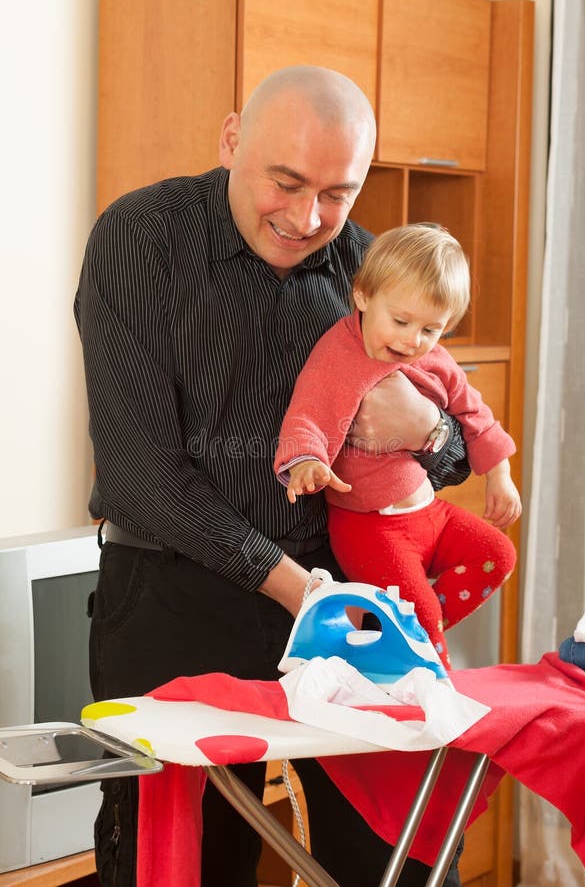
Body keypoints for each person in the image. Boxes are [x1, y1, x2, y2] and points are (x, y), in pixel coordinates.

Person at [75, 66, 471, 887]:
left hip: (345, 592)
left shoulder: (366, 263)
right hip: (177, 596)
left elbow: (457, 442)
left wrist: (427, 429)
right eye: (285, 183)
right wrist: (298, 589)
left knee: (400, 855)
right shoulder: (143, 239)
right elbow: (143, 474)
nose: (307, 219)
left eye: (337, 194)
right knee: (188, 862)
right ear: (231, 141)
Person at [275, 224, 521, 669]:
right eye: (401, 321)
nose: (413, 341)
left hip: (428, 512)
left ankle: (393, 635)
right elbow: (308, 412)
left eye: (431, 329)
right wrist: (306, 461)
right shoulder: (339, 354)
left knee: (497, 554)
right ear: (363, 296)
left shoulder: (433, 358)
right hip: (372, 528)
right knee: (421, 615)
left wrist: (499, 476)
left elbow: (474, 413)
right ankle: (428, 677)